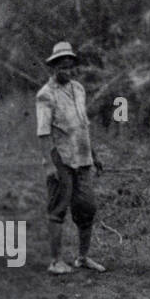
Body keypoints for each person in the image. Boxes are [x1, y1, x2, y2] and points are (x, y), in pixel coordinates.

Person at [35, 41, 106, 275]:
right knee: (58, 209)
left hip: (82, 158)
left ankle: (83, 257)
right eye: (61, 66)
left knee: (87, 207)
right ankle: (56, 261)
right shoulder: (46, 95)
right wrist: (48, 166)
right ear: (53, 67)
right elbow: (44, 133)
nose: (66, 70)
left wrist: (93, 155)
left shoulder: (78, 89)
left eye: (69, 66)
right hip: (61, 159)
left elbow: (82, 126)